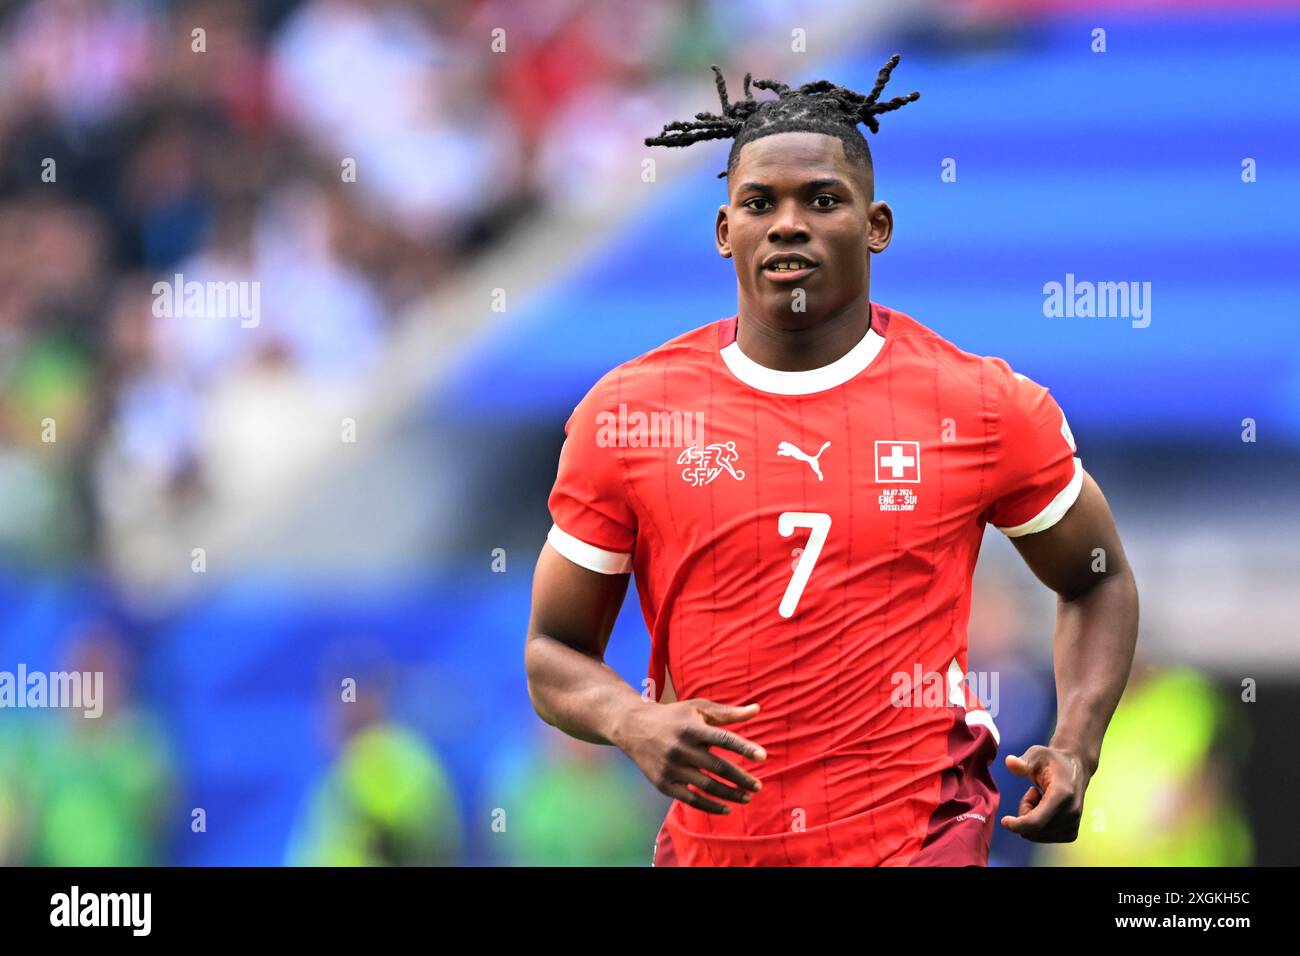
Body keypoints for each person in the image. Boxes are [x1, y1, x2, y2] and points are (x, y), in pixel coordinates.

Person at [524, 55, 1139, 866]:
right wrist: (630, 720)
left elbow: (1096, 576)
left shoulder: (982, 405)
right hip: (719, 848)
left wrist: (1077, 742)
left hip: (919, 838)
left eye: (821, 199)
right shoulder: (630, 415)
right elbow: (552, 650)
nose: (787, 223)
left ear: (876, 224)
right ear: (723, 231)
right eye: (758, 203)